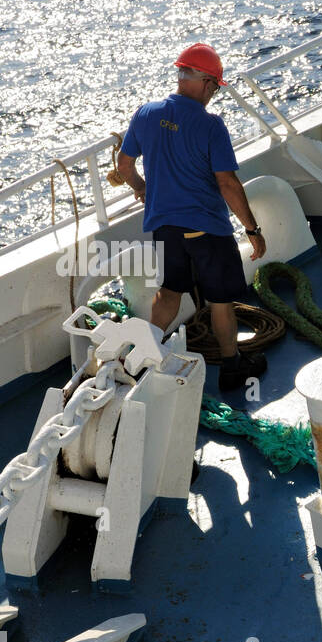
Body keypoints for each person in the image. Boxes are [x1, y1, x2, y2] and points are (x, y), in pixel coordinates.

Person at [116, 43, 268, 391]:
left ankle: (143, 362)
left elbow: (124, 166)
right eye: (214, 85)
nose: (214, 93)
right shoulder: (211, 125)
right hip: (207, 231)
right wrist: (252, 229)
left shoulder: (146, 113)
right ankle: (231, 368)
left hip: (166, 227)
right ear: (202, 80)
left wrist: (143, 188)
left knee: (169, 293)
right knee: (219, 300)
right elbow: (227, 183)